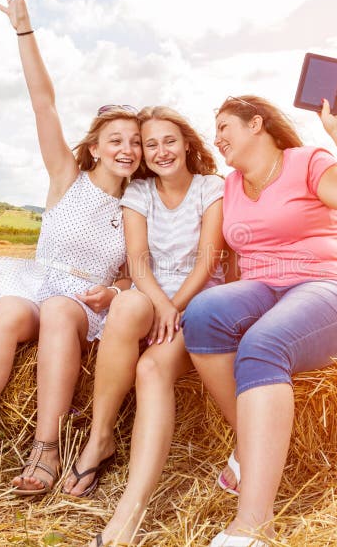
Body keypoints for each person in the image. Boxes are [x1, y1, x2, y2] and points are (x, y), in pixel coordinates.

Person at [0, 0, 142, 498]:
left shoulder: (140, 205)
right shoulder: (65, 179)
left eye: (135, 142)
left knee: (57, 312)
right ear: (93, 147)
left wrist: (114, 294)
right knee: (6, 313)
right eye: (116, 139)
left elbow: (133, 272)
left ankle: (45, 447)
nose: (128, 148)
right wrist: (24, 29)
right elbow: (43, 104)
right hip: (37, 282)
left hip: (84, 304)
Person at [182, 93, 337, 546]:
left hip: (329, 285)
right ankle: (252, 441)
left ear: (255, 124)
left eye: (223, 128)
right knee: (201, 315)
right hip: (264, 287)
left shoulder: (306, 162)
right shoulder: (230, 185)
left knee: (263, 344)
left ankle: (255, 526)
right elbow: (233, 260)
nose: (216, 139)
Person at [61, 106, 225, 546]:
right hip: (156, 294)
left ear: (188, 143)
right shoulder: (139, 192)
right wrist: (160, 303)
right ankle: (100, 438)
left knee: (151, 369)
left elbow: (209, 260)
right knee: (127, 306)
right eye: (150, 144)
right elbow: (138, 262)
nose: (159, 151)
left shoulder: (211, 188)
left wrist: (178, 306)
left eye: (168, 140)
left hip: (200, 298)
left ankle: (129, 514)